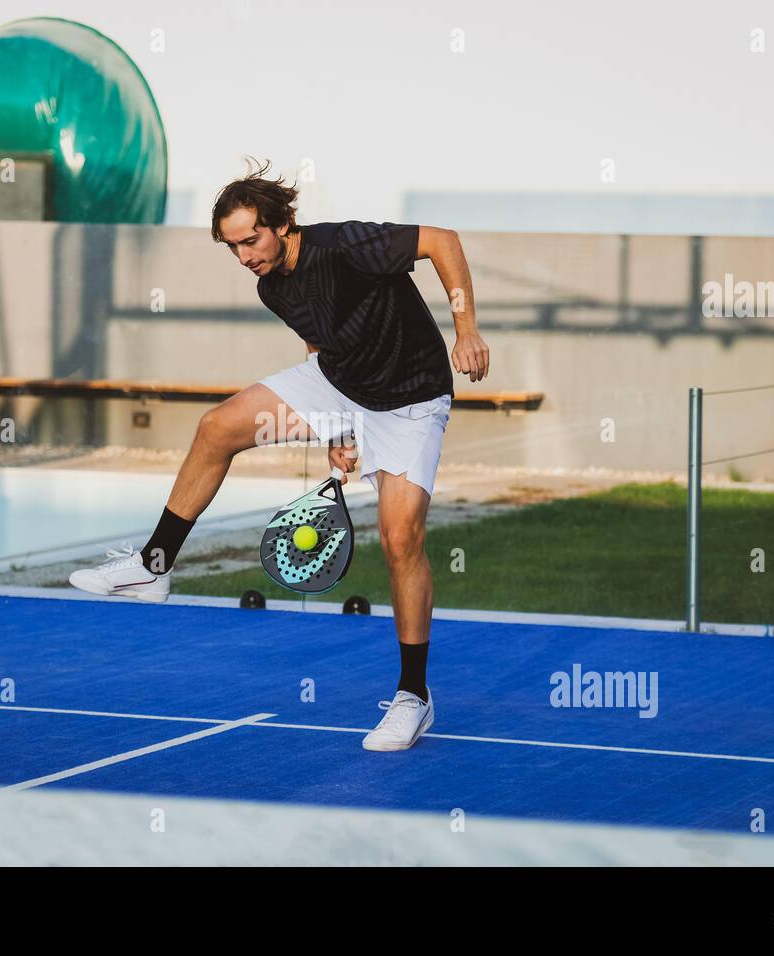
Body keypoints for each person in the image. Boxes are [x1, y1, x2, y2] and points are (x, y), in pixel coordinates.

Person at [71, 158, 489, 751]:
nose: (244, 256)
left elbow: (441, 242)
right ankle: (155, 563)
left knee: (401, 541)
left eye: (251, 239)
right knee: (218, 427)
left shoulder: (348, 244)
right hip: (342, 386)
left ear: (282, 224)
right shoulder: (273, 286)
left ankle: (413, 697)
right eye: (232, 246)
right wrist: (338, 430)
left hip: (411, 402)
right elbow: (322, 344)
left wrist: (465, 328)